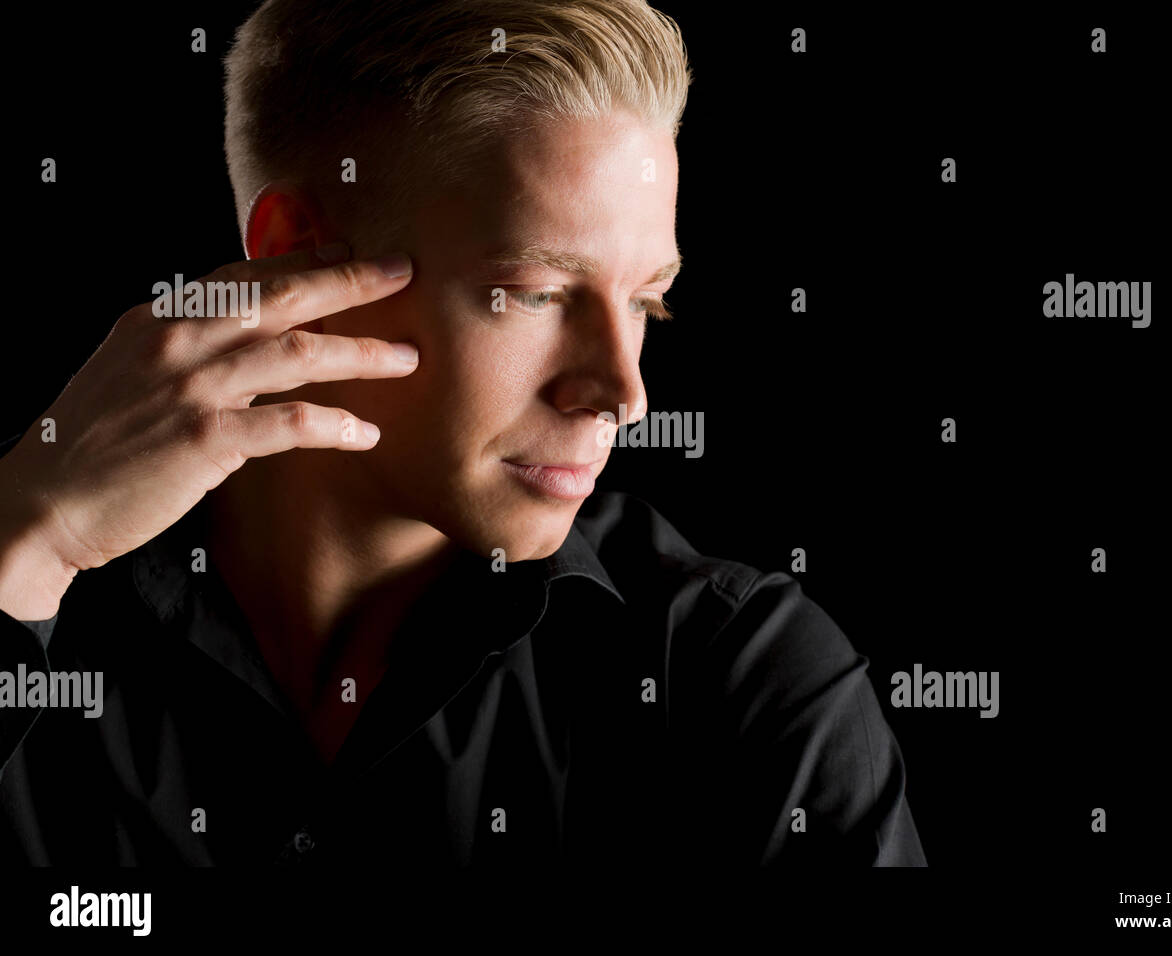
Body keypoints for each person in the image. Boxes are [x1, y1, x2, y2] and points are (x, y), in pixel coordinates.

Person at [0, 0, 925, 868]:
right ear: (293, 254)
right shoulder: (34, 600)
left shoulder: (740, 680)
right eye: (534, 292)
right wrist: (29, 542)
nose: (623, 393)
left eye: (647, 301)